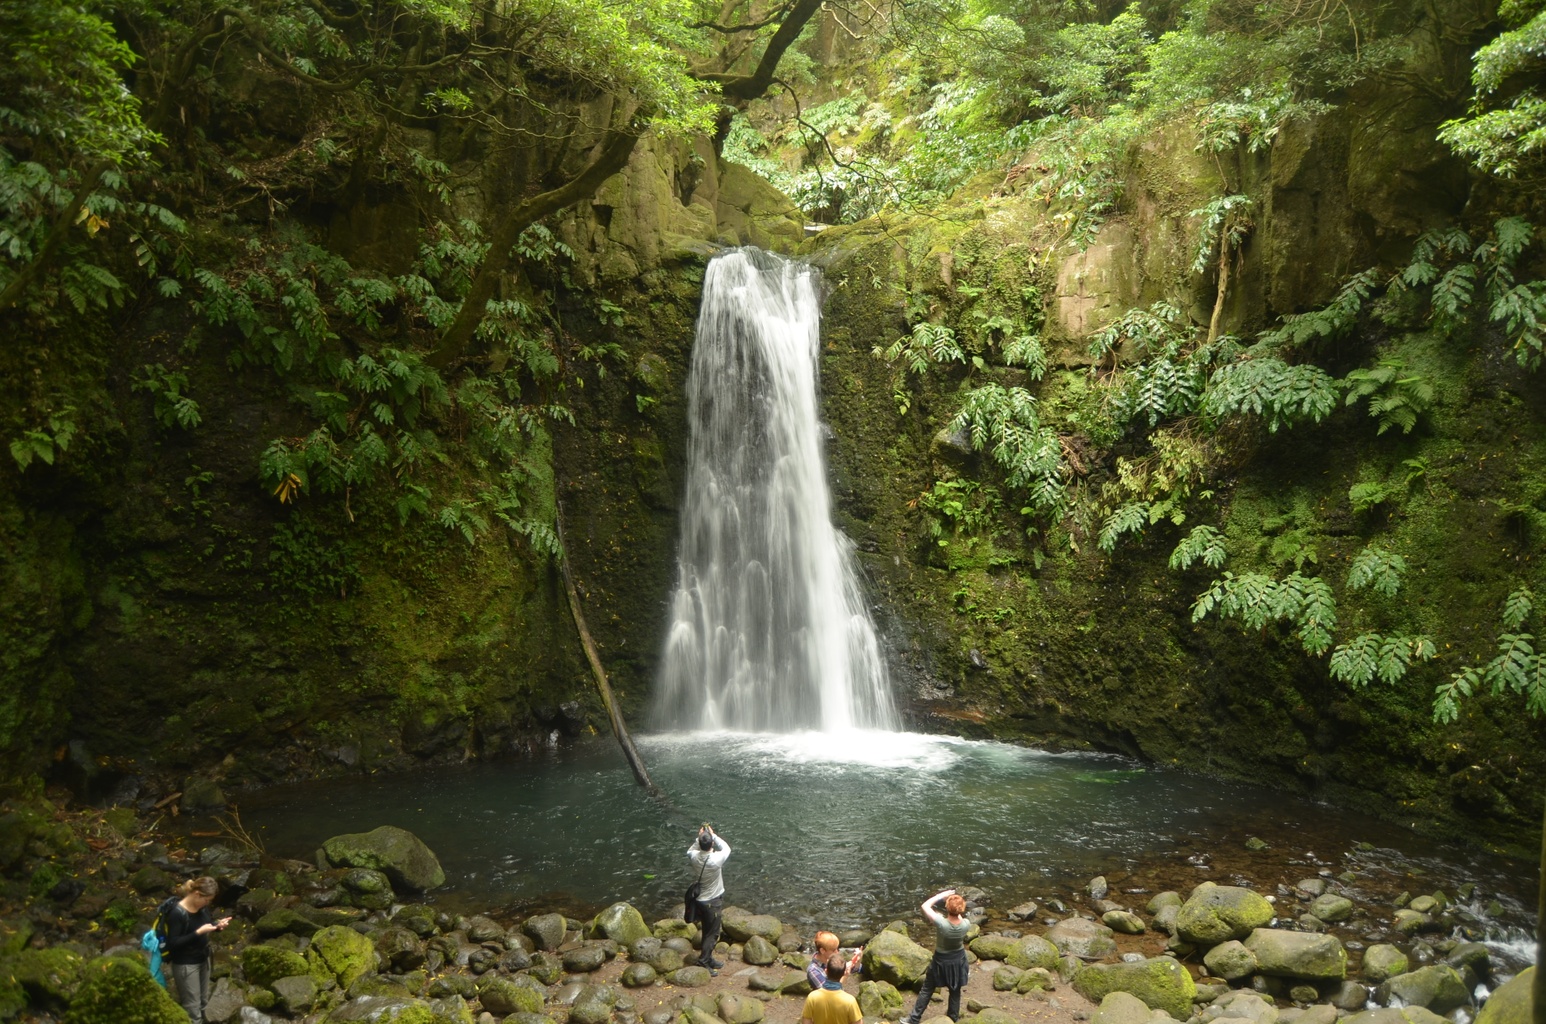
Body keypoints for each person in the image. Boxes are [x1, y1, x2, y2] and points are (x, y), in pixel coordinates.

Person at [163, 876, 230, 1024]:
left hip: (203, 959)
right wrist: (198, 933)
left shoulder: (202, 907)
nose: (208, 903)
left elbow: (207, 924)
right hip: (186, 965)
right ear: (197, 894)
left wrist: (218, 925)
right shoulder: (177, 913)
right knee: (192, 1008)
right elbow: (172, 943)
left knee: (203, 1001)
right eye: (207, 900)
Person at [902, 887, 971, 1024]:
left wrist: (941, 895)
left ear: (947, 908)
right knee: (955, 990)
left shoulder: (942, 923)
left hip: (941, 960)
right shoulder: (966, 924)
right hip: (958, 960)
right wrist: (953, 903)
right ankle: (952, 1018)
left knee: (927, 989)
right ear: (961, 909)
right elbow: (959, 916)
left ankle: (913, 1019)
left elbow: (925, 905)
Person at [686, 824, 730, 973]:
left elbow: (690, 850)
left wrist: (699, 838)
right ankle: (704, 961)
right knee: (713, 934)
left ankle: (709, 958)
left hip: (700, 901)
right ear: (711, 844)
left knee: (706, 930)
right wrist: (714, 835)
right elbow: (727, 848)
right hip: (713, 901)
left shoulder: (694, 856)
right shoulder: (715, 859)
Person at [801, 955, 862, 1024]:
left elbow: (806, 1021)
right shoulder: (850, 1001)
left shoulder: (812, 997)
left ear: (826, 971)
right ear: (844, 973)